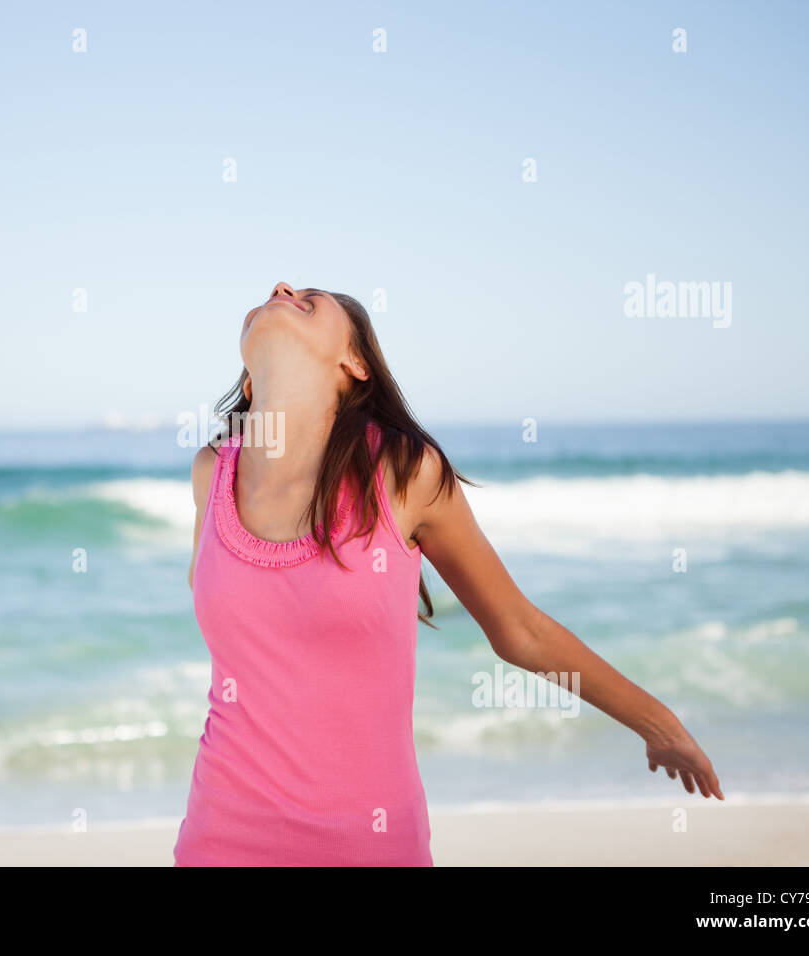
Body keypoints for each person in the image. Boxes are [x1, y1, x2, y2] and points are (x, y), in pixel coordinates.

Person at [172, 282, 722, 866]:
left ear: (355, 363)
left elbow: (519, 630)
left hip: (370, 845)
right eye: (270, 297)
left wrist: (656, 723)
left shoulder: (405, 471)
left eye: (310, 296)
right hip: (220, 838)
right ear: (250, 378)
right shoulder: (212, 472)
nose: (281, 287)